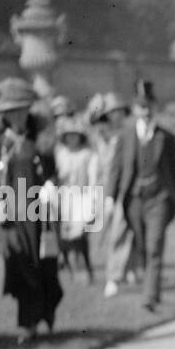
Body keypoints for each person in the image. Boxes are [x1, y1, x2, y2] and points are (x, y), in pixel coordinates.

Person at [0, 76, 63, 344]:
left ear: (29, 109)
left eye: (21, 109)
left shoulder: (40, 139)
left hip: (40, 212)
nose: (16, 116)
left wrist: (51, 184)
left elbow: (53, 172)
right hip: (12, 213)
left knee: (45, 266)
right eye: (9, 111)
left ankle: (41, 315)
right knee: (20, 265)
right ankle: (26, 323)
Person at [110, 80, 175, 312]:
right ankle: (146, 284)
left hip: (159, 198)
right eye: (141, 105)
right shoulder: (126, 134)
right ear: (135, 108)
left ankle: (149, 297)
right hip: (134, 198)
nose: (146, 109)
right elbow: (116, 167)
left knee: (154, 246)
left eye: (149, 104)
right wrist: (111, 197)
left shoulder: (166, 137)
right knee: (141, 245)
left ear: (155, 106)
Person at [88, 91, 140, 297]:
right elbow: (90, 118)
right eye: (111, 112)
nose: (115, 115)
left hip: (126, 185)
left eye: (118, 111)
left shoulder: (130, 129)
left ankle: (129, 269)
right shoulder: (101, 133)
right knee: (115, 230)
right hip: (106, 186)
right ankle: (114, 276)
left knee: (130, 229)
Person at [54, 116, 99, 284]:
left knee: (80, 236)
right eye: (69, 135)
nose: (72, 138)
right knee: (66, 237)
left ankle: (87, 267)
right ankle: (73, 268)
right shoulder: (61, 154)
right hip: (65, 198)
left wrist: (93, 198)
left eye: (75, 135)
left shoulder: (88, 154)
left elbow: (93, 177)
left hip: (82, 198)